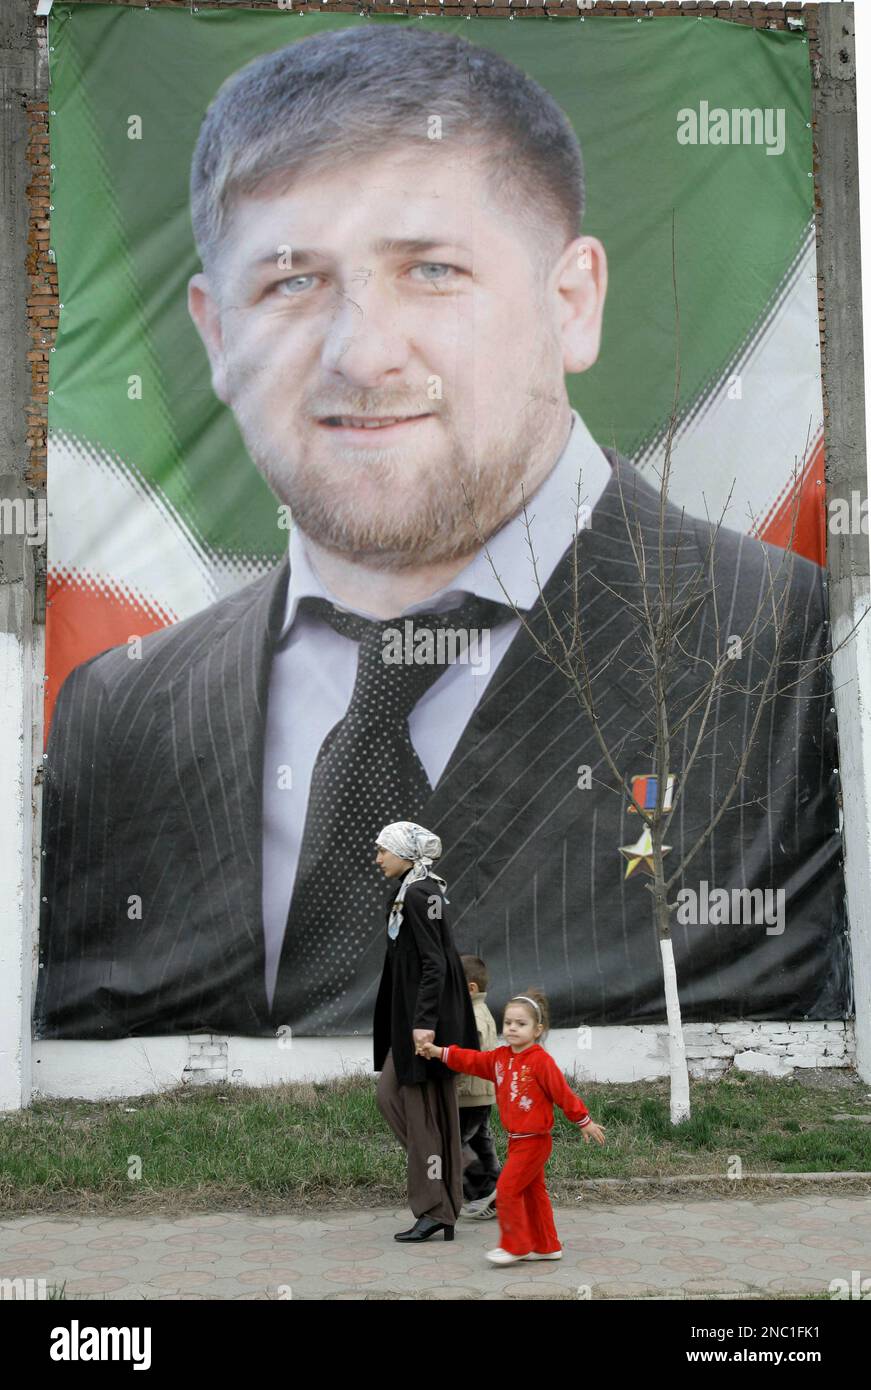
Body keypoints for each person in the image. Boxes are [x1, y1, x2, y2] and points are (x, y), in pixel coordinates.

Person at [35, 25, 847, 1042]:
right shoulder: (117, 713)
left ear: (573, 302)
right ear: (214, 333)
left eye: (430, 270)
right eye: (292, 281)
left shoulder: (791, 652)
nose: (363, 352)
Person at [419, 987, 606, 1265]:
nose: (512, 1028)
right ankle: (546, 1246)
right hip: (516, 1140)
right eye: (508, 1023)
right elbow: (470, 1060)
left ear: (537, 1029)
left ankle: (515, 1245)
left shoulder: (542, 1062)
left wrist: (584, 1120)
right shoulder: (499, 1058)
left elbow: (562, 1093)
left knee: (506, 1191)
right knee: (533, 1194)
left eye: (521, 1024)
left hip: (534, 1141)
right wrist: (437, 1052)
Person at [372, 821, 479, 1243]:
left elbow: (435, 963)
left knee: (423, 1111)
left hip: (423, 1025)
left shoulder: (420, 893)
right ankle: (452, 1164)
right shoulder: (410, 891)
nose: (378, 858)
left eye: (383, 850)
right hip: (411, 1022)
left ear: (403, 852)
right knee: (395, 1100)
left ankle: (436, 1207)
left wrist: (424, 1026)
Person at [457, 955, 502, 1220]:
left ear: (471, 988)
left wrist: (454, 1083)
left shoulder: (474, 1017)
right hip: (481, 1093)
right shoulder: (479, 1012)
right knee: (482, 1142)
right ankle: (499, 1189)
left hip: (470, 1094)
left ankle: (481, 1191)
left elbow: (470, 1057)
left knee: (456, 1143)